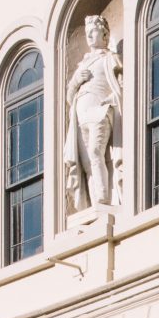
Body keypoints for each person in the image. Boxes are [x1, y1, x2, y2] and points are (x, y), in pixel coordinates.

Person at [63, 15, 123, 212]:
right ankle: (93, 204)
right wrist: (75, 82)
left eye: (93, 29)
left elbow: (122, 84)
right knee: (87, 162)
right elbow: (70, 97)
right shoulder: (83, 64)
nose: (89, 33)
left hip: (100, 110)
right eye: (87, 30)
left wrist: (112, 101)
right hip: (80, 115)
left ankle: (104, 199)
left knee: (96, 152)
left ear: (105, 34)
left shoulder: (109, 58)